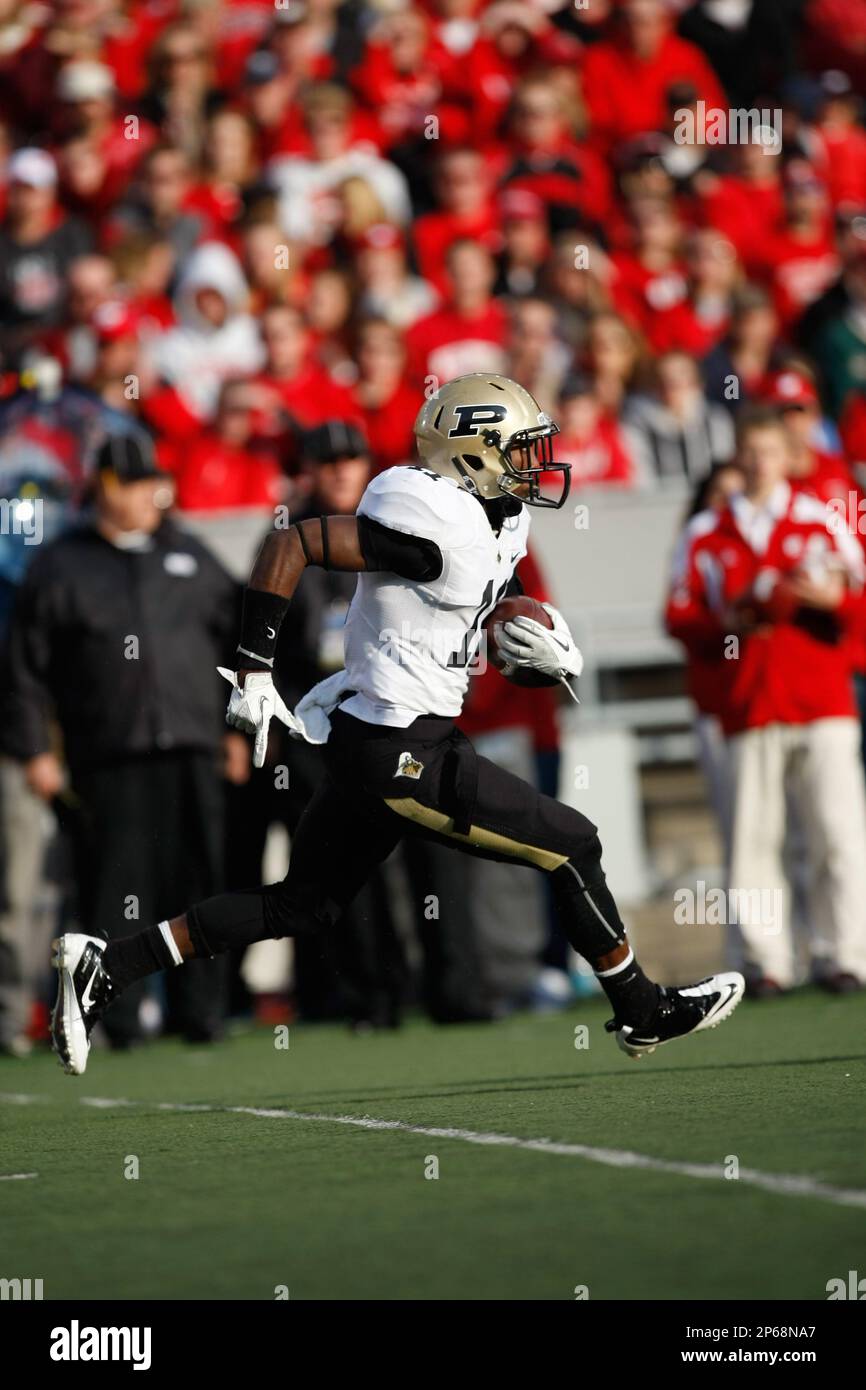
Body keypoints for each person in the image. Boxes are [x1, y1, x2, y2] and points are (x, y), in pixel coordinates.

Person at [49, 374, 744, 1076]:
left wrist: (518, 632)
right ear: (473, 454)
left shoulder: (497, 516)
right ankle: (641, 1009)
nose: (535, 464)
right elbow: (293, 544)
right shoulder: (431, 526)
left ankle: (109, 964)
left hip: (382, 739)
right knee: (571, 845)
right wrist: (255, 669)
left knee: (302, 905)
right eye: (520, 449)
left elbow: (484, 594)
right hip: (401, 749)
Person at [4, 432, 245, 1048]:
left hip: (192, 744)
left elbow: (240, 641)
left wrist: (238, 729)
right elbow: (24, 668)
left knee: (199, 881)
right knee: (117, 887)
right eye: (132, 484)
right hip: (108, 751)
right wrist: (35, 749)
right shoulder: (62, 564)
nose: (146, 495)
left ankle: (202, 1013)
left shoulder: (189, 553)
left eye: (150, 482)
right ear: (103, 489)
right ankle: (119, 1019)